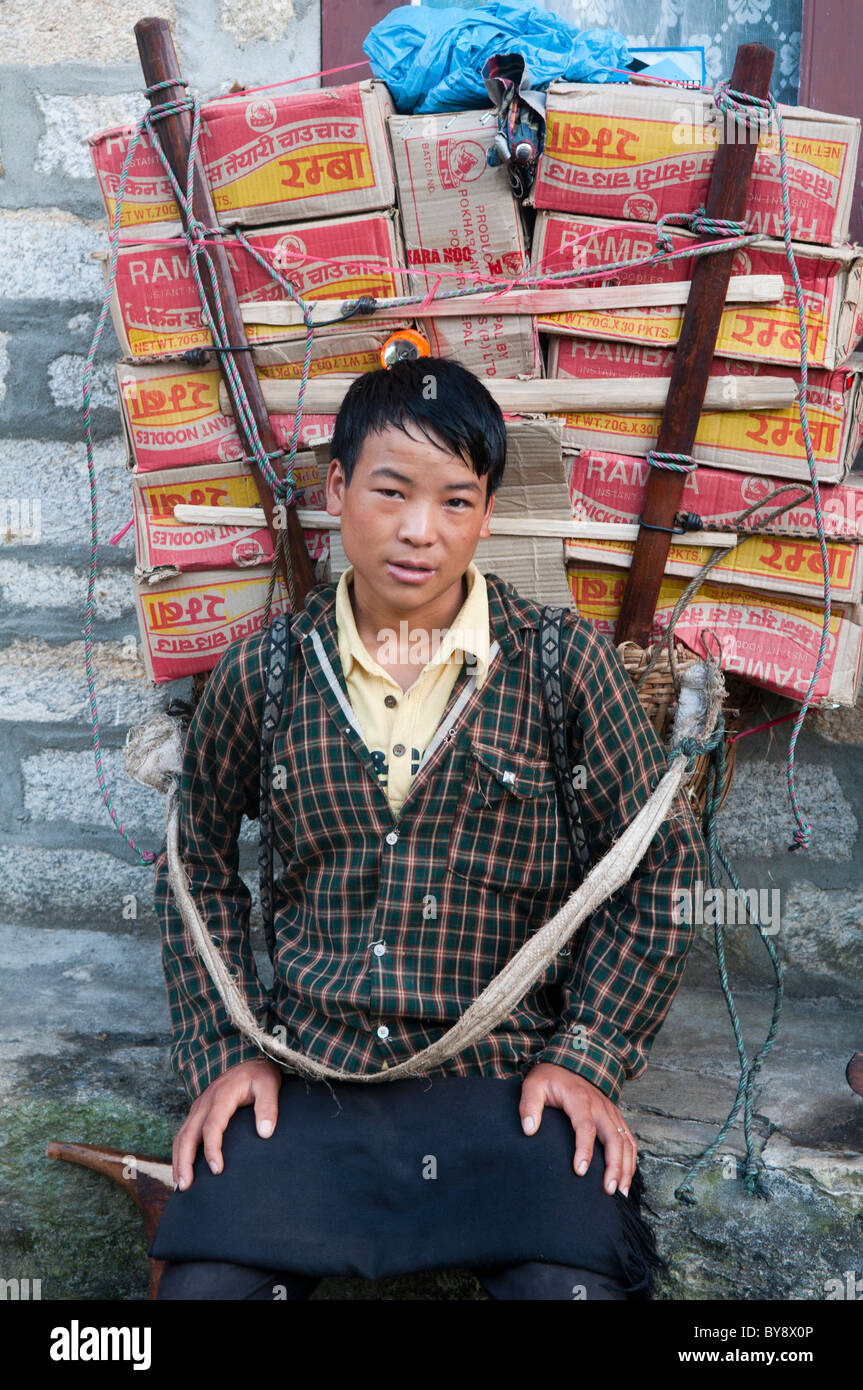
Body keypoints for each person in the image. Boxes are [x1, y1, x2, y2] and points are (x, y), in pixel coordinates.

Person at [151, 356, 707, 1300]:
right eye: (391, 491)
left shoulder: (559, 667)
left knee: (569, 1294)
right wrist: (224, 1052)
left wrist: (588, 1058)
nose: (420, 531)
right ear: (336, 490)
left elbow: (658, 872)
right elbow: (196, 867)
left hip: (504, 1087)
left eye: (456, 500)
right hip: (306, 1080)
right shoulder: (265, 674)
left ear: (486, 514)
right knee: (200, 1294)